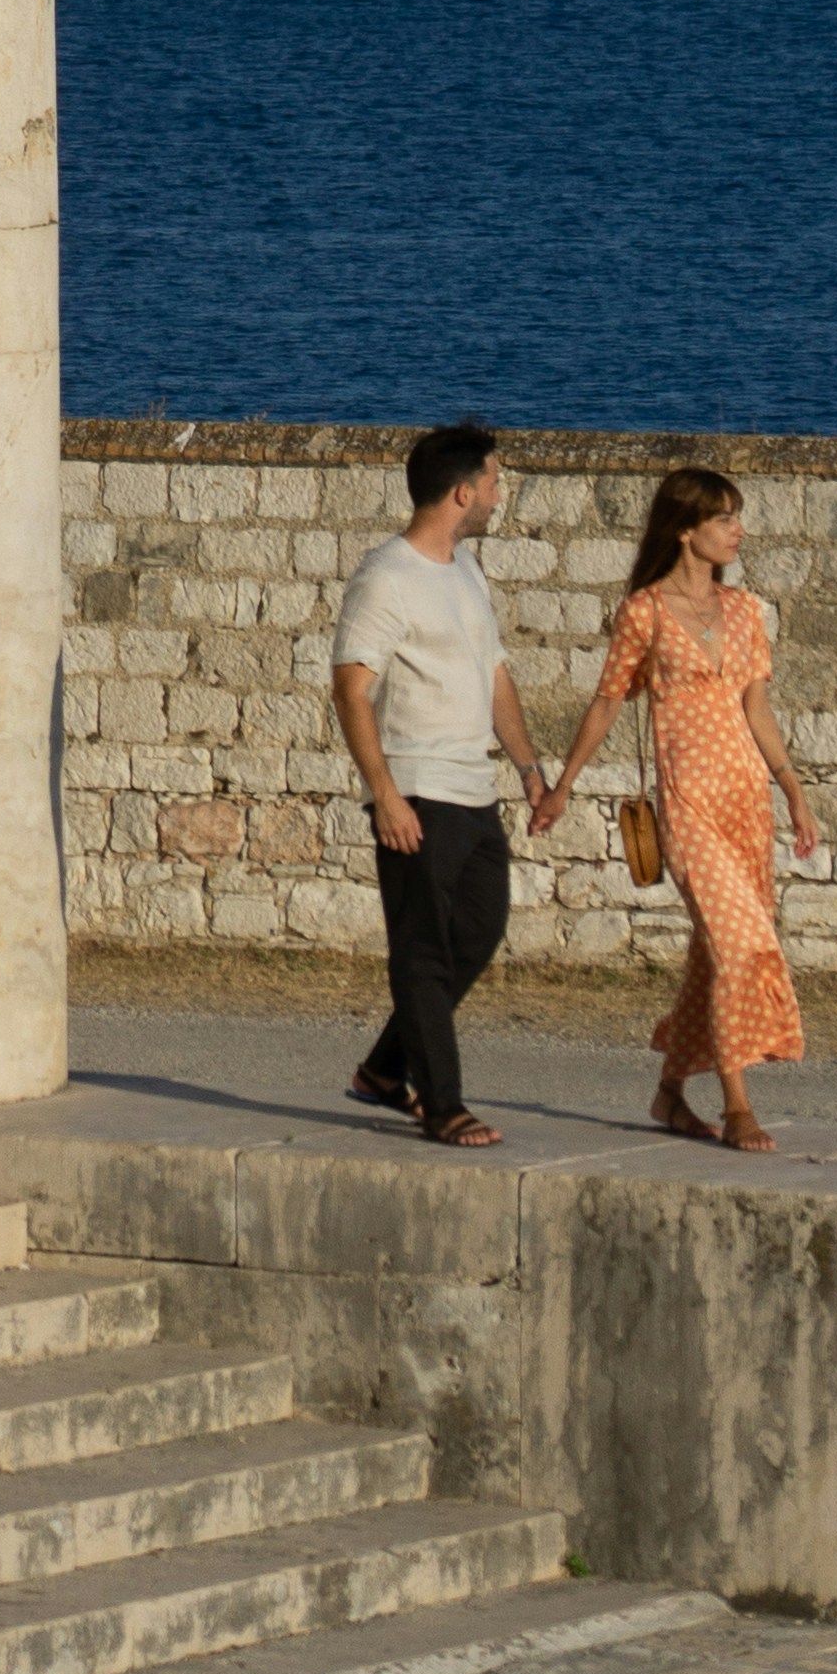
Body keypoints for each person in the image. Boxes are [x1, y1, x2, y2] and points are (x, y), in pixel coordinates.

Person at [535, 460, 817, 1151]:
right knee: (741, 946)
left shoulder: (745, 610)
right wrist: (563, 784)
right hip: (687, 805)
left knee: (711, 955)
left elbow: (758, 706)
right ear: (686, 530)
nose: (737, 530)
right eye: (723, 518)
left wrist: (794, 791)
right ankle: (739, 1105)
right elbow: (607, 700)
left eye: (736, 516)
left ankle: (669, 1095)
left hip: (746, 801)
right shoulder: (645, 613)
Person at [329, 423, 554, 1146]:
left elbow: (494, 675)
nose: (497, 494)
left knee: (479, 932)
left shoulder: (465, 571)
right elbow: (351, 690)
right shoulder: (385, 577)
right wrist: (385, 794)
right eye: (492, 482)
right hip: (418, 789)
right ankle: (443, 1103)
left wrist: (527, 768)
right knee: (422, 951)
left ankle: (385, 1071)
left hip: (474, 788)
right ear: (462, 491)